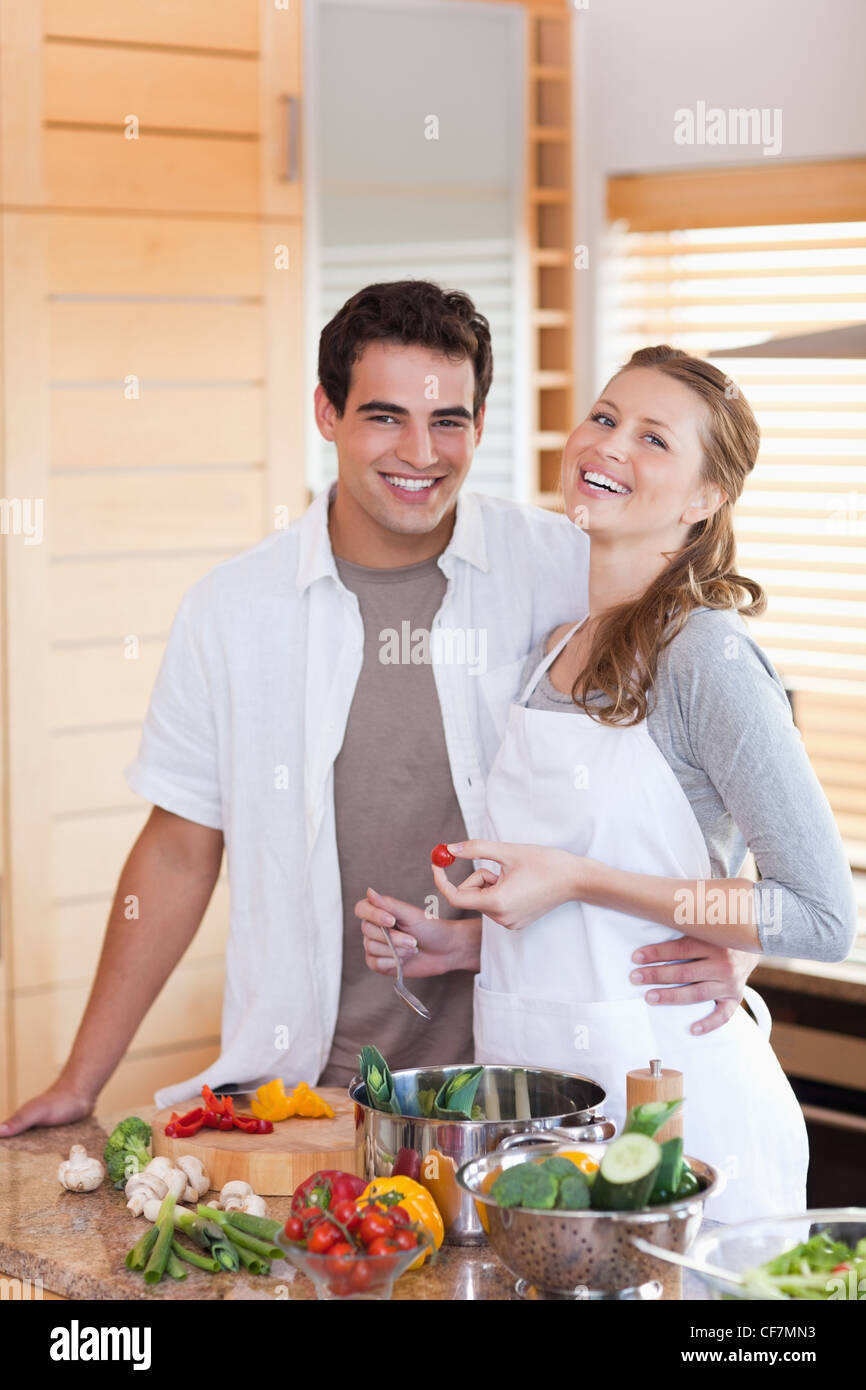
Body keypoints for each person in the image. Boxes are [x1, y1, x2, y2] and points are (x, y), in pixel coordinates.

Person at [1, 293, 758, 1138]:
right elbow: (179, 853)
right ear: (326, 414)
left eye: (448, 420)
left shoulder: (566, 564)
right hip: (312, 1093)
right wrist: (80, 1079)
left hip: (545, 1082)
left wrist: (738, 943)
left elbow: (722, 766)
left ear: (480, 424)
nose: (419, 453)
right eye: (384, 417)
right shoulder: (232, 610)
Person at [363, 346, 858, 1222]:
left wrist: (583, 879)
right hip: (543, 1119)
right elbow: (583, 922)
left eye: (654, 438)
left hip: (681, 1132)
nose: (610, 445)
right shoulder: (553, 649)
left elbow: (820, 915)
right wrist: (467, 945)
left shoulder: (707, 657)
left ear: (707, 500)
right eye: (604, 417)